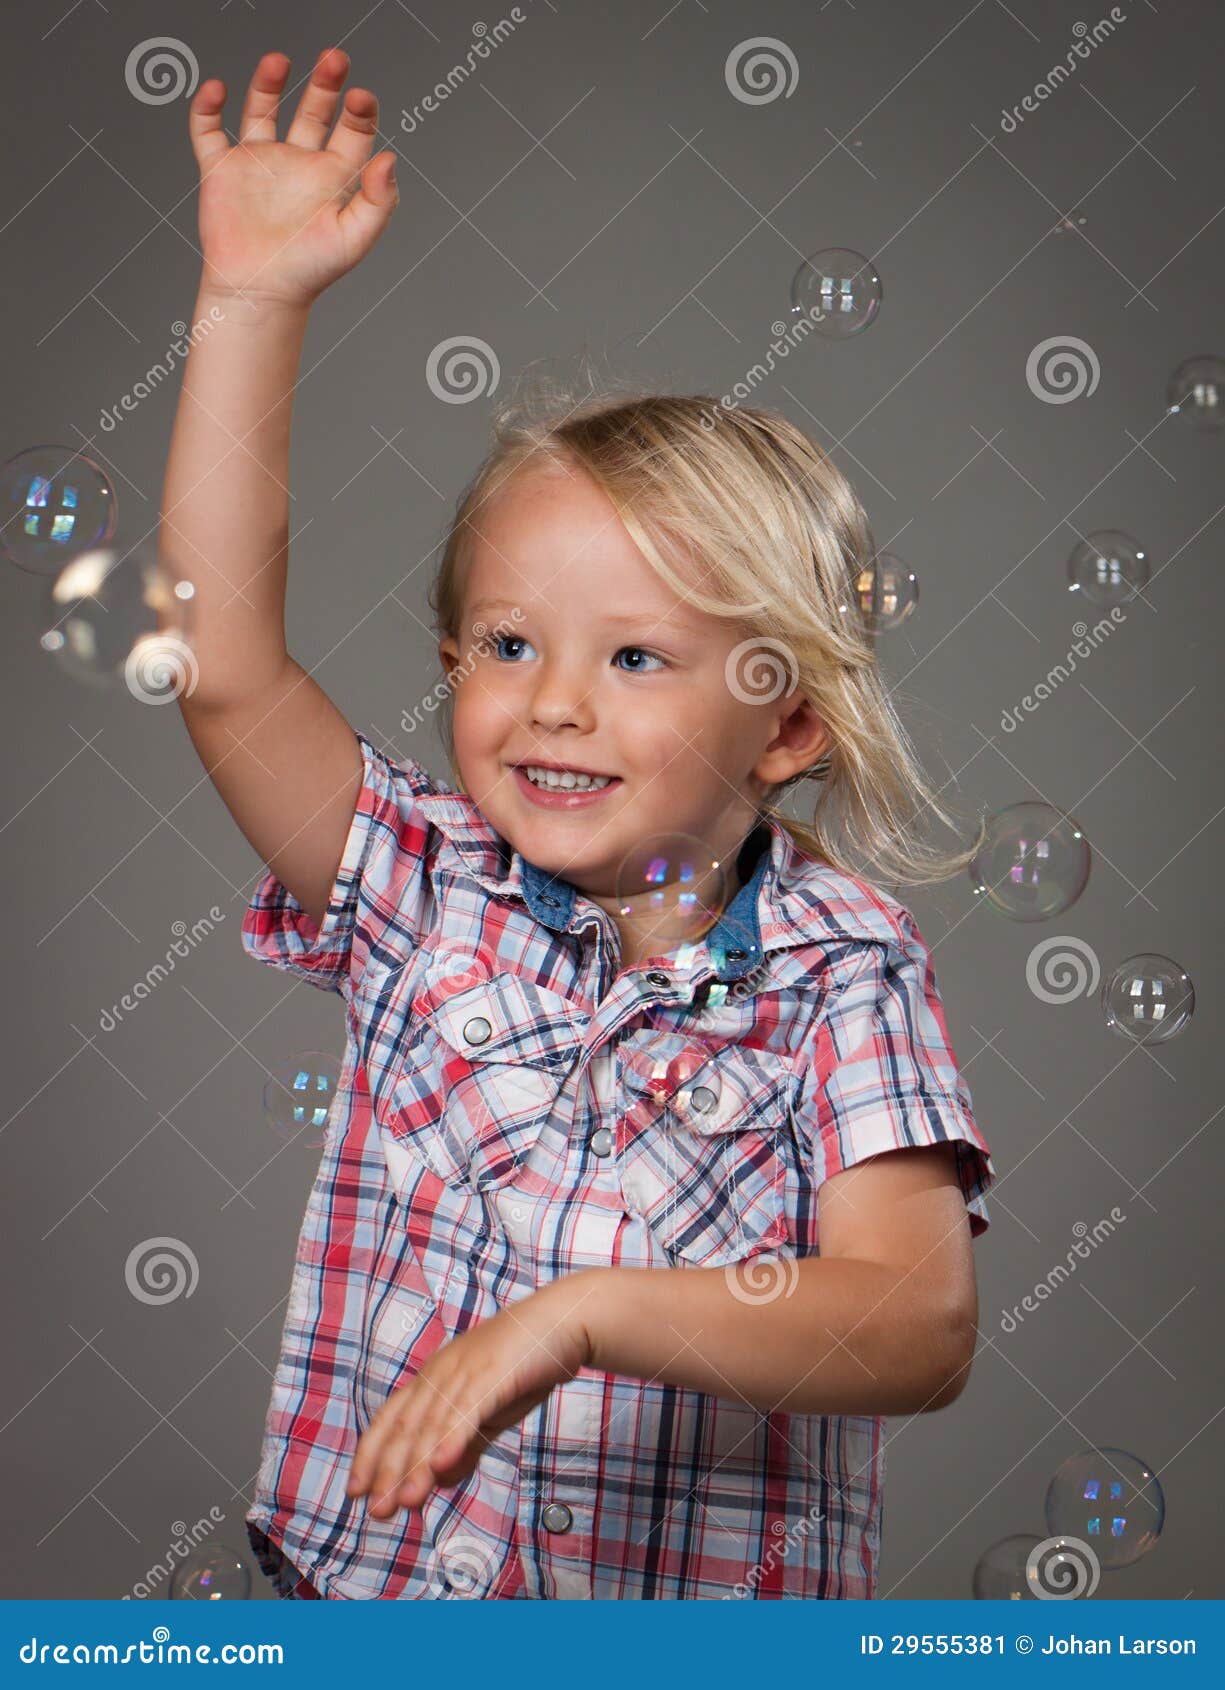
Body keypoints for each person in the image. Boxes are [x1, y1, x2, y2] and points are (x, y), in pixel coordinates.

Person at [164, 46, 996, 1601]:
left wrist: (584, 1310)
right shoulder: (417, 885)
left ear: (788, 721)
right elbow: (218, 668)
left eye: (632, 658)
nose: (552, 702)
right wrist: (253, 301)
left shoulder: (843, 969)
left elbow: (915, 1320)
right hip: (378, 1606)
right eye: (506, 644)